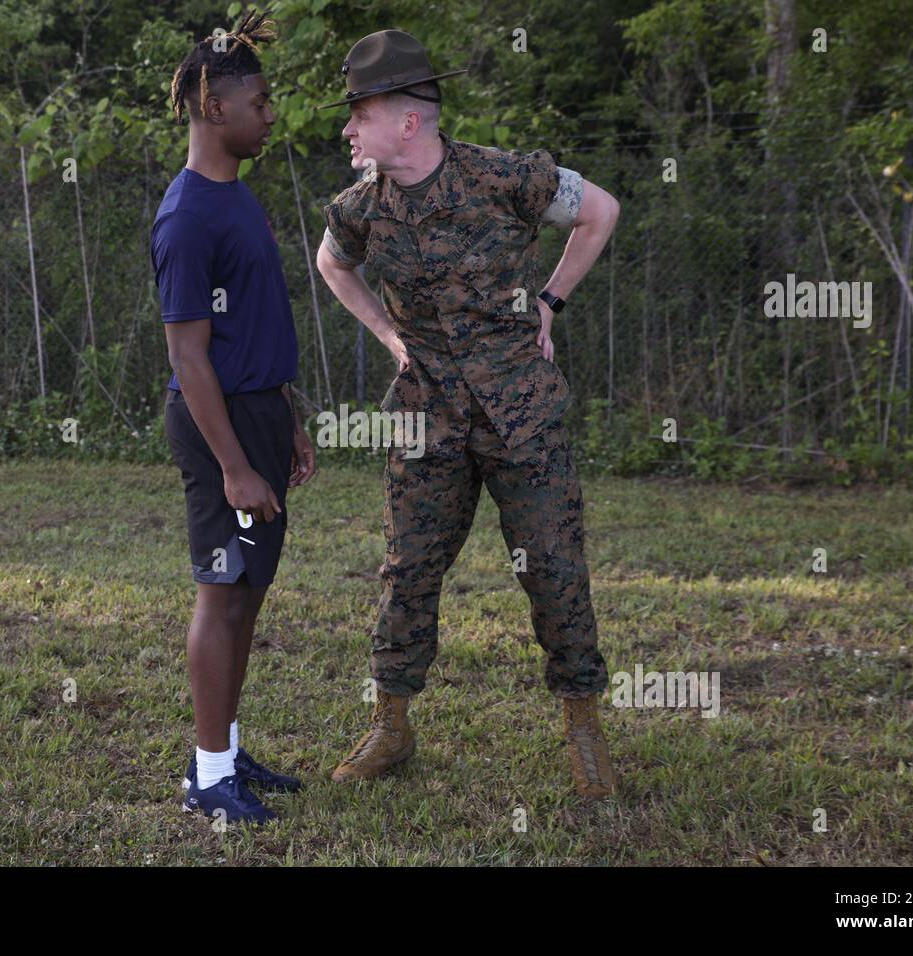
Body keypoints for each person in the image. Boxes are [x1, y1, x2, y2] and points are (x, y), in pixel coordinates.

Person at [315, 29, 622, 799]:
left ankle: (584, 731)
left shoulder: (504, 177)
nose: (348, 129)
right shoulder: (358, 208)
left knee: (554, 569)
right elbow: (329, 264)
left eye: (359, 114)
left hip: (523, 412)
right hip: (427, 419)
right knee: (408, 571)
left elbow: (602, 212)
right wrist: (388, 335)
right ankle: (391, 725)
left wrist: (551, 300)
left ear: (407, 120)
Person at [152, 11, 315, 825]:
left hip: (257, 416)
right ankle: (208, 780)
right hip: (216, 430)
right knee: (220, 592)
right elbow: (189, 358)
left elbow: (252, 325)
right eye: (260, 101)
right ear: (216, 106)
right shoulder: (187, 217)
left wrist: (284, 418)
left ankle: (225, 747)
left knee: (247, 591)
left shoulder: (238, 195)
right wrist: (235, 466)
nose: (270, 114)